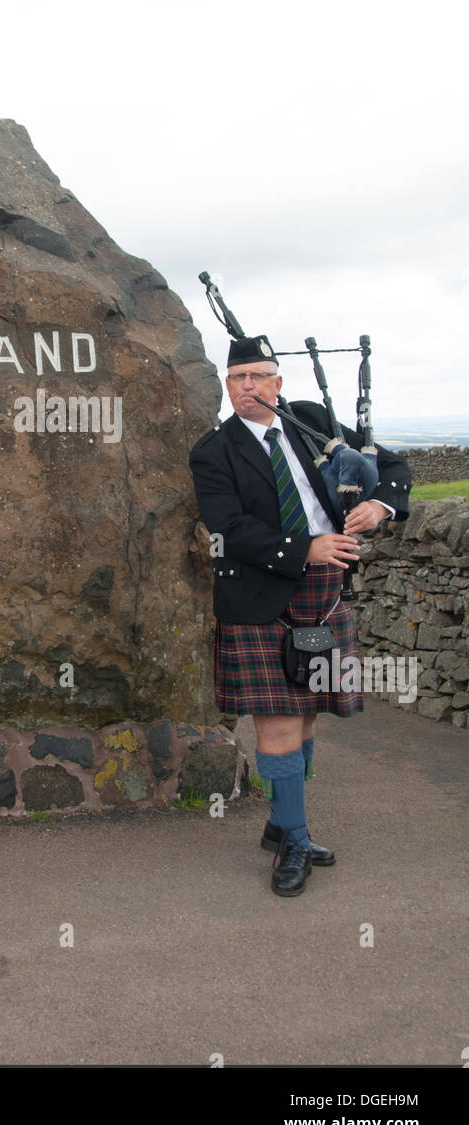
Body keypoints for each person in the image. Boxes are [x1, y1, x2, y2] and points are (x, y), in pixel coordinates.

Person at [189, 335, 412, 897]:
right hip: (261, 595)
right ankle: (294, 839)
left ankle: (280, 821)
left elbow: (395, 465)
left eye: (259, 377)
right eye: (238, 379)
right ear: (228, 386)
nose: (248, 388)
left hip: (326, 593)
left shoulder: (312, 421)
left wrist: (378, 503)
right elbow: (229, 529)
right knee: (279, 720)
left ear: (278, 382)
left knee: (308, 714)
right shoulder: (213, 450)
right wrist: (304, 547)